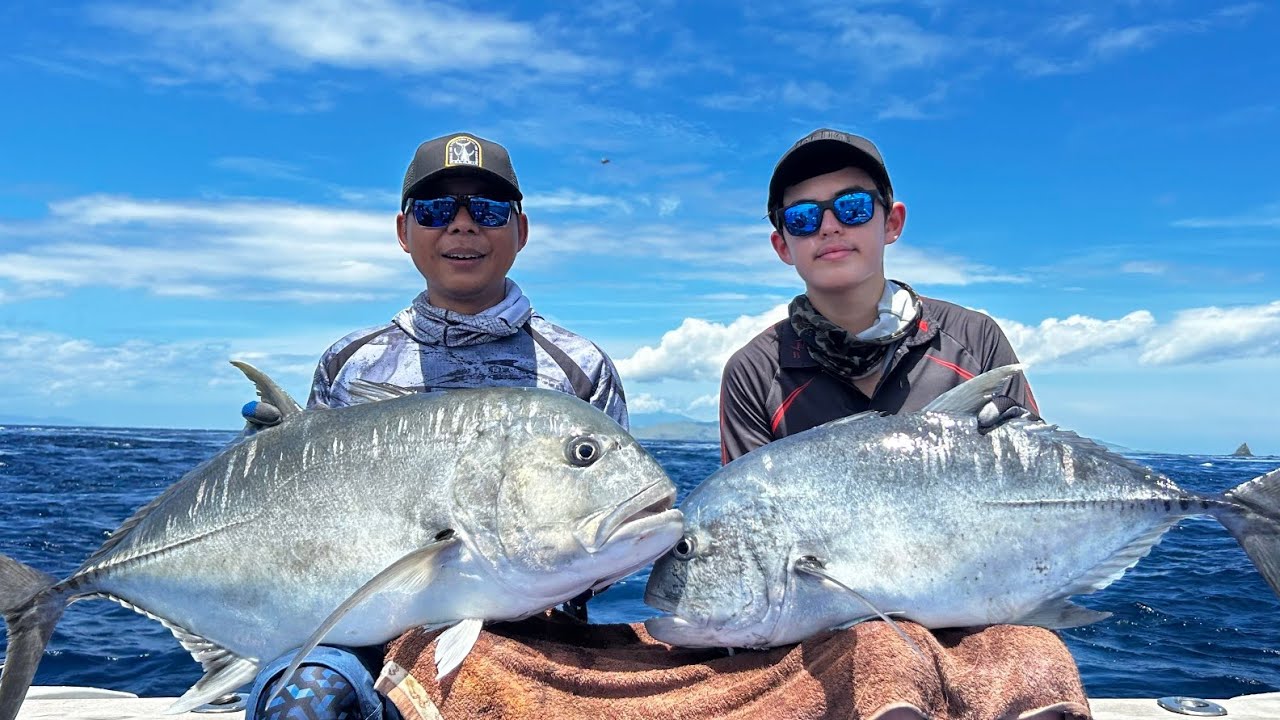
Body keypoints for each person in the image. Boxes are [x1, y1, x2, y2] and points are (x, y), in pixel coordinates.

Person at [241, 132, 628, 720]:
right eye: (436, 210)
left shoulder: (579, 369)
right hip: (359, 628)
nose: (463, 225)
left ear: (520, 231)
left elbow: (611, 537)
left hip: (535, 636)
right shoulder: (350, 364)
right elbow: (305, 522)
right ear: (405, 232)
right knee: (305, 705)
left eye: (490, 209)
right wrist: (265, 465)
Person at [720, 128, 1037, 464]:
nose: (829, 226)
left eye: (852, 207)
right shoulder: (754, 372)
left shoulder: (974, 339)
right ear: (783, 246)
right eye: (803, 218)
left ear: (892, 222)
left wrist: (1026, 452)